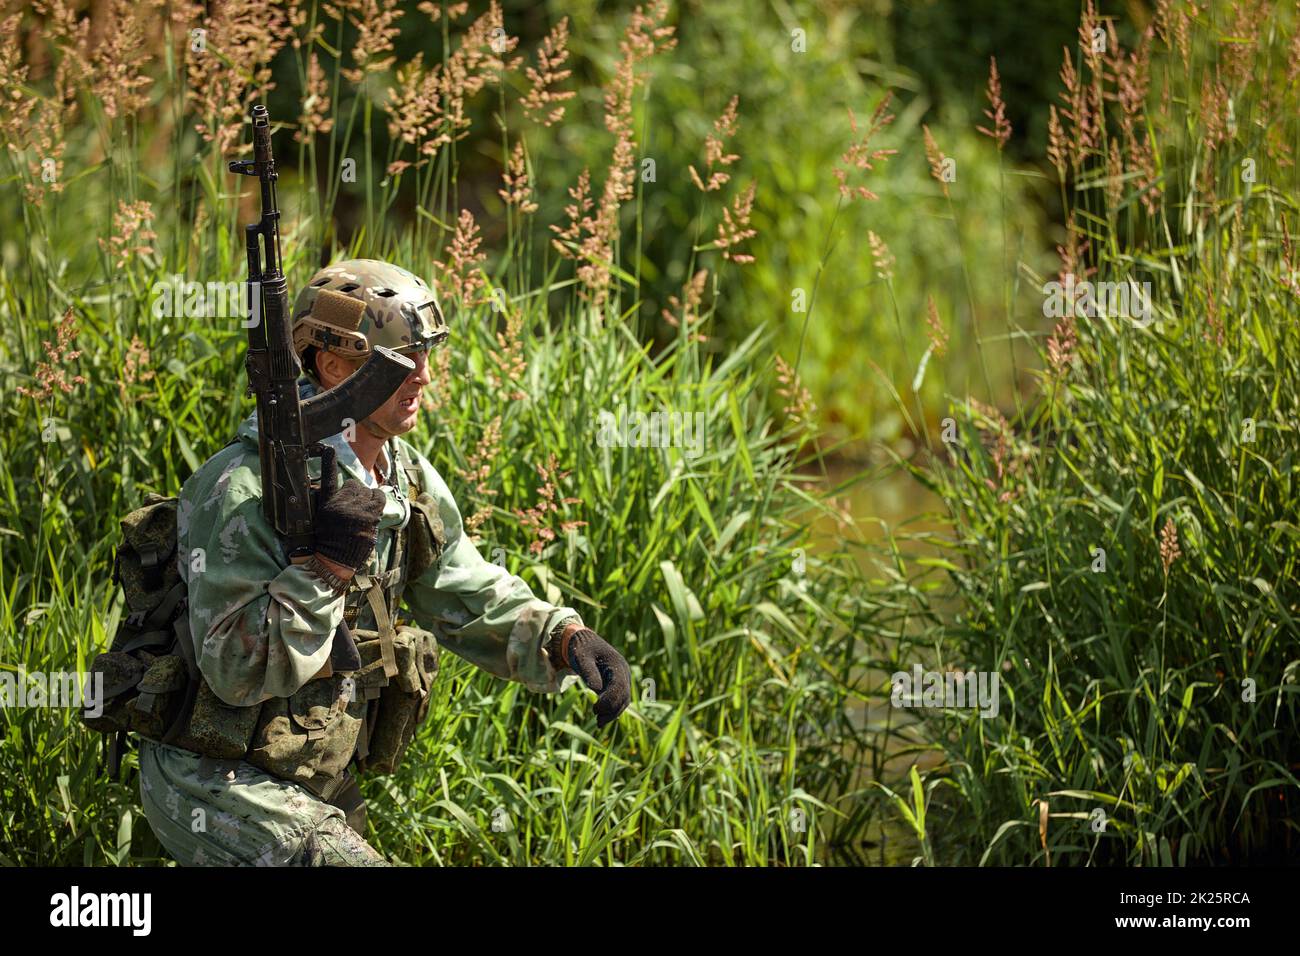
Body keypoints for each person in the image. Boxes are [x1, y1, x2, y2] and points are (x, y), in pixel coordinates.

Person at [137, 258, 630, 866]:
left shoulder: (402, 474)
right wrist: (326, 568)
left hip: (306, 769)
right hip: (215, 778)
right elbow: (234, 667)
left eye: (425, 356)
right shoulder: (242, 489)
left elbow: (460, 587)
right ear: (334, 365)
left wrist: (563, 638)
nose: (423, 377)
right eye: (402, 361)